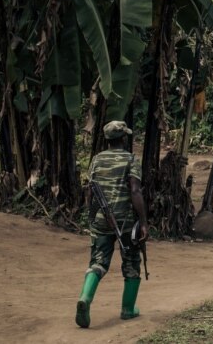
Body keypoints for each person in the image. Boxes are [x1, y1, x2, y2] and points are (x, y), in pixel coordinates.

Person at [76, 121, 148, 328]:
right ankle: (127, 309)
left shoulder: (97, 160)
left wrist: (92, 217)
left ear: (107, 140)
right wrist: (143, 222)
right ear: (123, 138)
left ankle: (85, 298)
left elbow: (90, 191)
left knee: (98, 262)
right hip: (125, 222)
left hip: (101, 219)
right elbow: (135, 190)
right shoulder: (131, 159)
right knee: (132, 262)